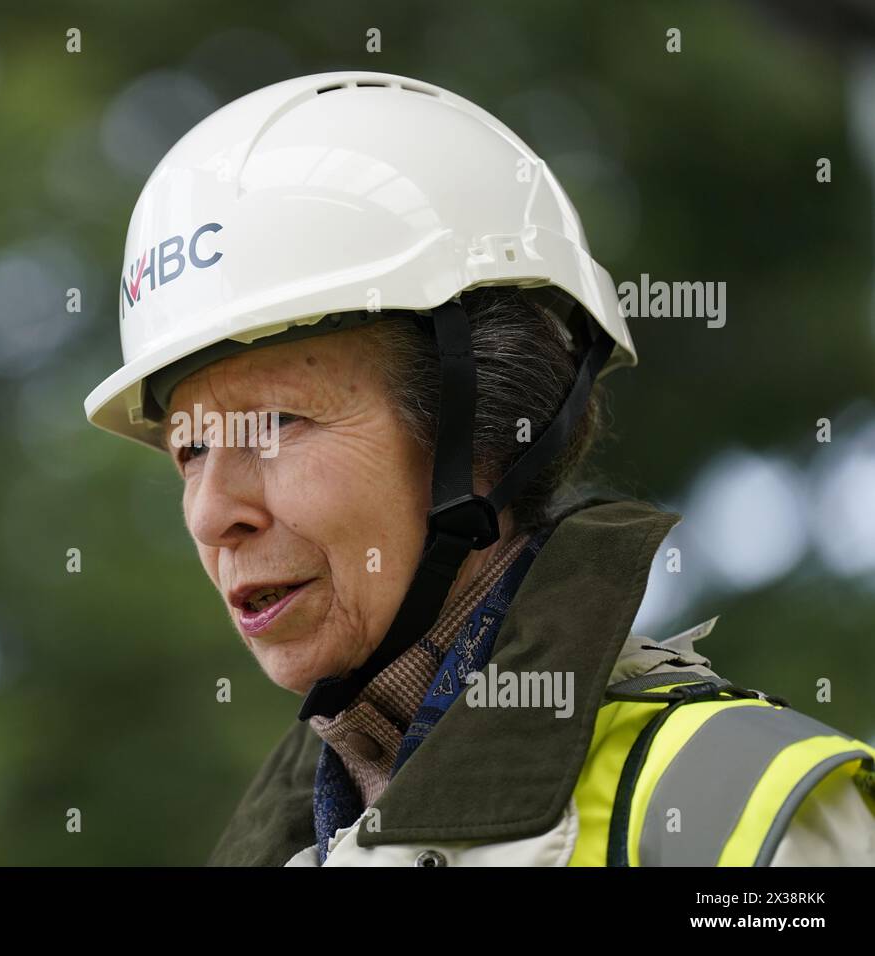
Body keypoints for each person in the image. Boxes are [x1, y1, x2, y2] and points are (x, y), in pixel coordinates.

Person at [83, 71, 875, 866]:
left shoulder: (735, 814)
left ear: (484, 425)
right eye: (191, 450)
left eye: (276, 423)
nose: (210, 513)